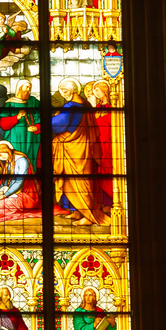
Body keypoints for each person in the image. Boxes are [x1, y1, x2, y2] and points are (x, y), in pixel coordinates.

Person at [52, 78, 105, 225]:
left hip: (75, 147)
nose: (64, 94)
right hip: (82, 145)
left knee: (80, 181)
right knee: (72, 180)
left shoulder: (70, 106)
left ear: (74, 90)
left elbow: (59, 124)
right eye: (62, 91)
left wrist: (47, 120)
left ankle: (88, 216)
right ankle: (76, 211)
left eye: (66, 91)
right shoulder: (85, 104)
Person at [83, 79, 114, 209]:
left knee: (108, 171)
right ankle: (102, 204)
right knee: (99, 173)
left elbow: (111, 122)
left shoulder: (112, 107)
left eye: (97, 90)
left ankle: (111, 202)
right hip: (97, 144)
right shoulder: (97, 108)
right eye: (93, 91)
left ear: (104, 90)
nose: (95, 93)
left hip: (109, 144)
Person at [0, 78, 41, 170]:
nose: (28, 90)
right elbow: (3, 124)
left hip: (30, 138)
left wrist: (37, 127)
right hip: (14, 138)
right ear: (20, 88)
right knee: (15, 159)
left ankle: (30, 179)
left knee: (30, 159)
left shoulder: (33, 102)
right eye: (27, 87)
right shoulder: (10, 104)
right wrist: (16, 117)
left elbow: (41, 116)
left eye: (30, 88)